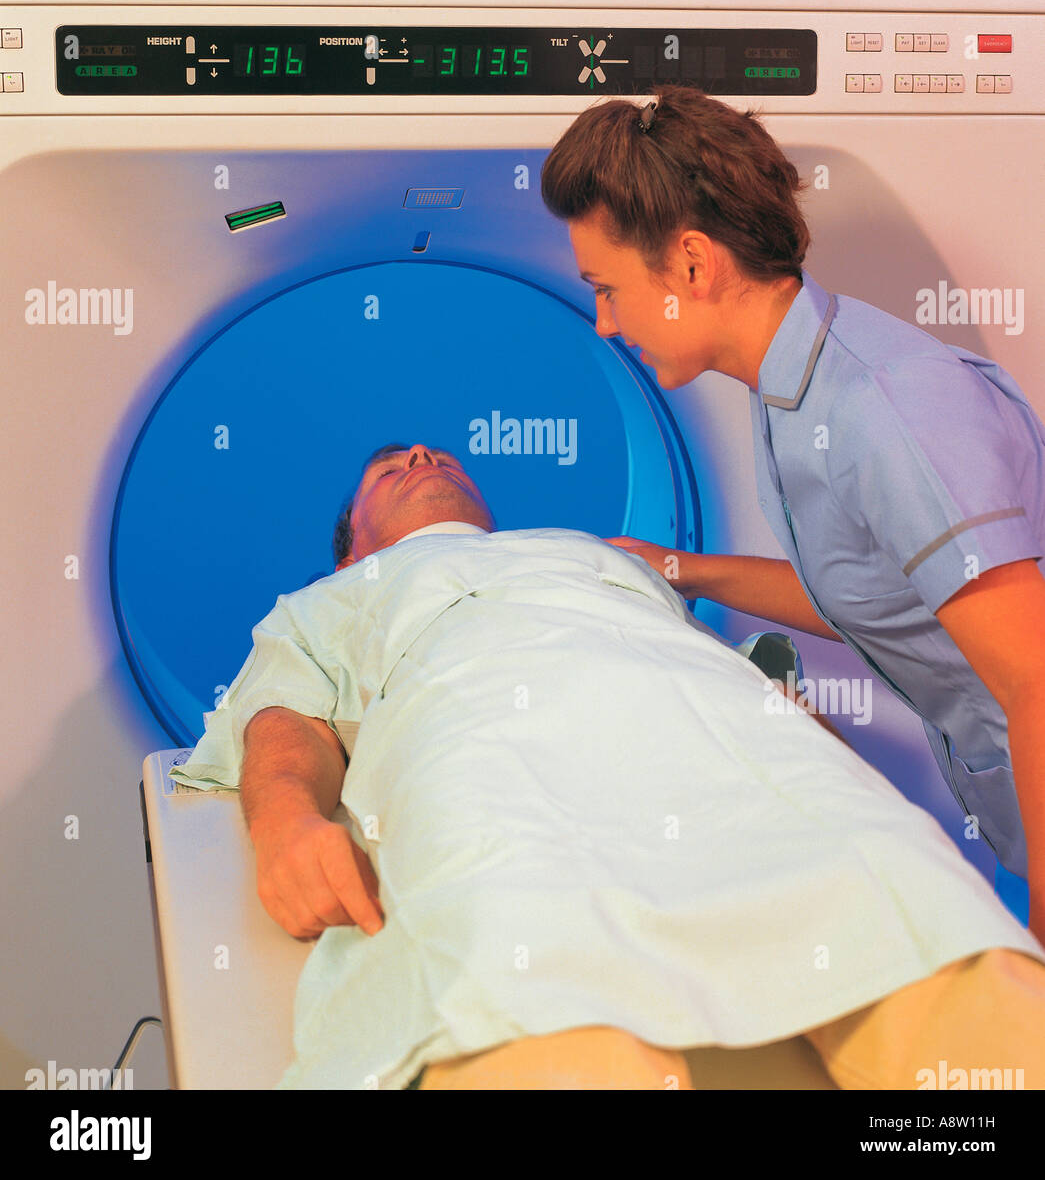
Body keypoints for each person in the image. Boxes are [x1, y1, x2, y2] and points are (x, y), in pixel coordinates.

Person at [171, 441, 1045, 1091]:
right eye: (387, 468)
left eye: (431, 452)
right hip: (492, 775)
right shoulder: (330, 601)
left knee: (914, 925)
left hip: (728, 752)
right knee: (536, 1000)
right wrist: (286, 818)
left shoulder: (588, 553)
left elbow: (730, 667)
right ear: (352, 547)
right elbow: (284, 721)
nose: (421, 454)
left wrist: (825, 754)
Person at [540, 83, 1045, 944]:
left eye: (608, 288)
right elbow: (884, 595)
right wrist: (672, 567)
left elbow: (1034, 681)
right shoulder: (788, 394)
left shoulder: (886, 408)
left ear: (692, 265)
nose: (602, 322)